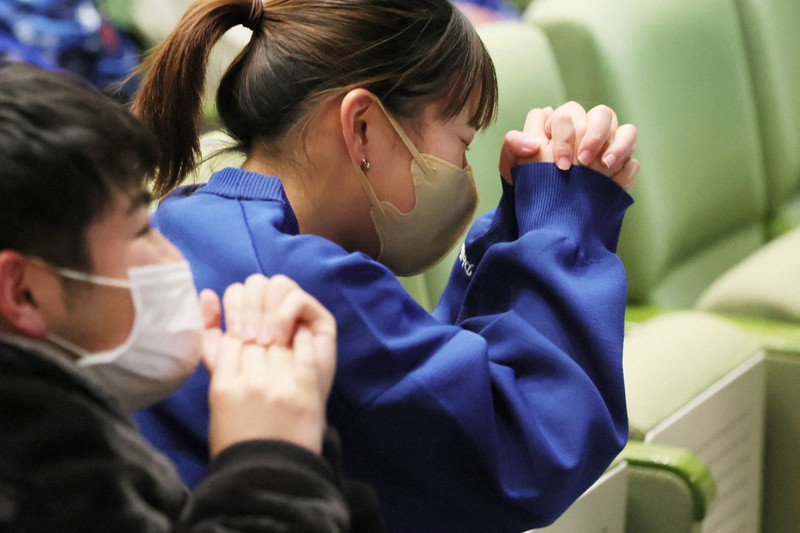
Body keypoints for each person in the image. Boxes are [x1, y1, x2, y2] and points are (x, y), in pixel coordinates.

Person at [131, 0, 639, 531]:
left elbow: (413, 386)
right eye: (464, 140)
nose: (464, 171)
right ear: (364, 127)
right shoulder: (302, 284)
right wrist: (565, 220)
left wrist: (518, 224)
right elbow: (537, 444)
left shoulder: (191, 219)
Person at [0, 60, 383, 531]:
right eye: (142, 230)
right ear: (23, 293)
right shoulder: (37, 490)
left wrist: (302, 441)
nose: (173, 258)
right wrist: (271, 463)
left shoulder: (77, 446)